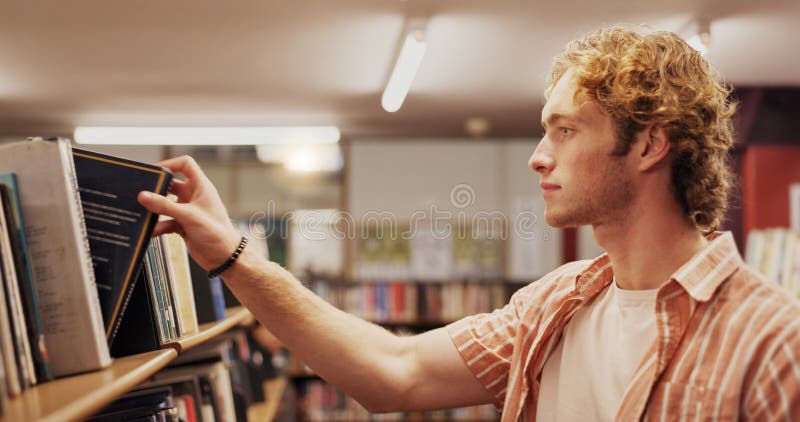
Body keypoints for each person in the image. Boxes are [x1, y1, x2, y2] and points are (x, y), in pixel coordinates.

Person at [138, 26, 800, 421]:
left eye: (566, 131)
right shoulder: (556, 306)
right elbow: (394, 371)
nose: (540, 156)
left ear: (651, 146)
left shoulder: (772, 343)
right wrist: (234, 258)